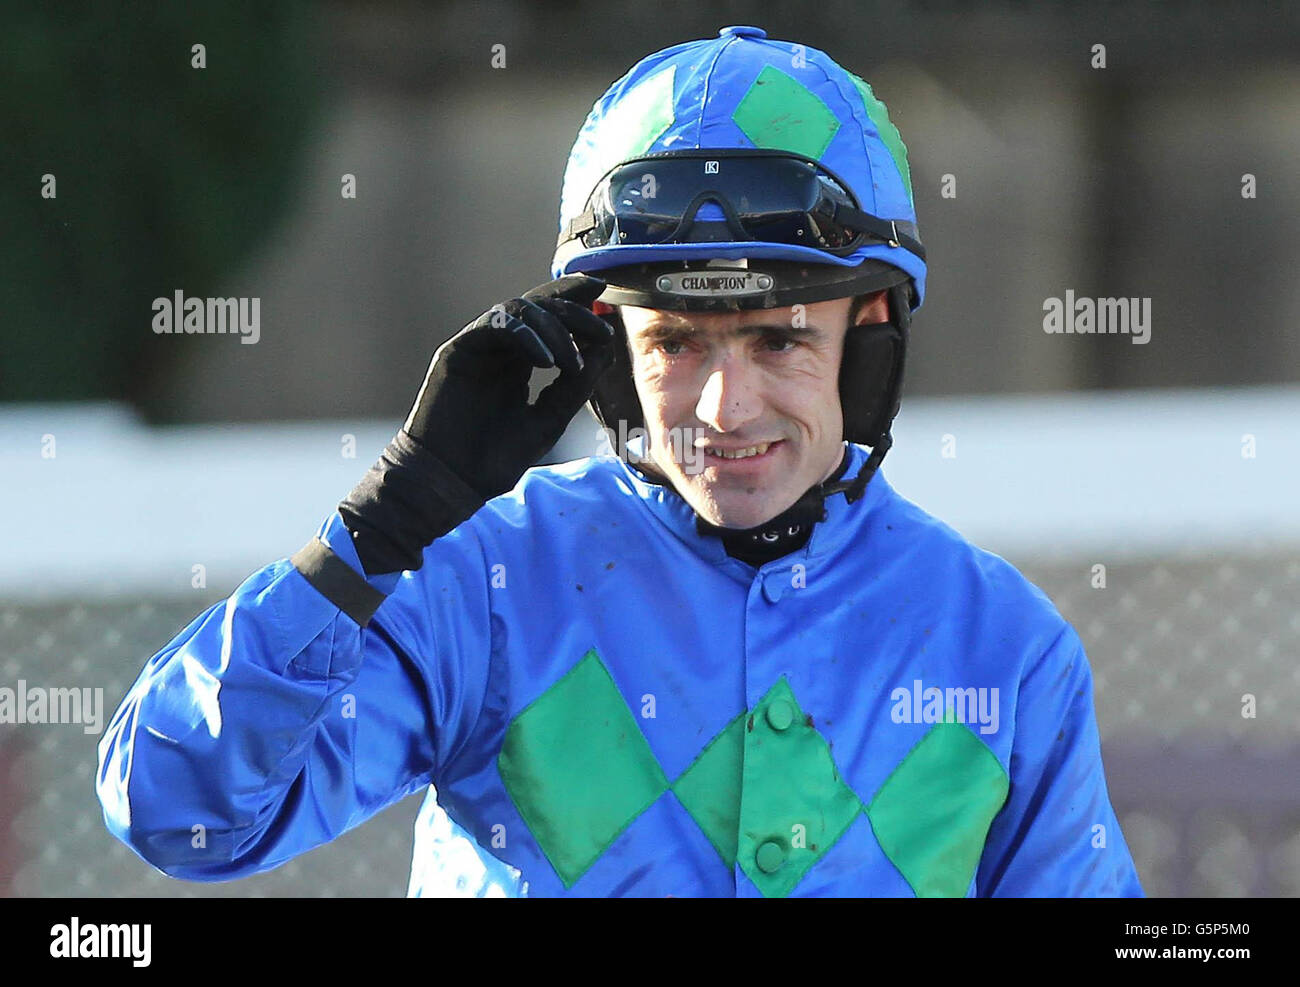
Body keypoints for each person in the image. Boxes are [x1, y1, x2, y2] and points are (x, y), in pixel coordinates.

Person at [97, 25, 1143, 897]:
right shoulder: (484, 583)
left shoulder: (1002, 649)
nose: (724, 409)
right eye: (674, 343)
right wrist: (378, 529)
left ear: (868, 337)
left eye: (778, 338)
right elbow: (179, 817)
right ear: (605, 348)